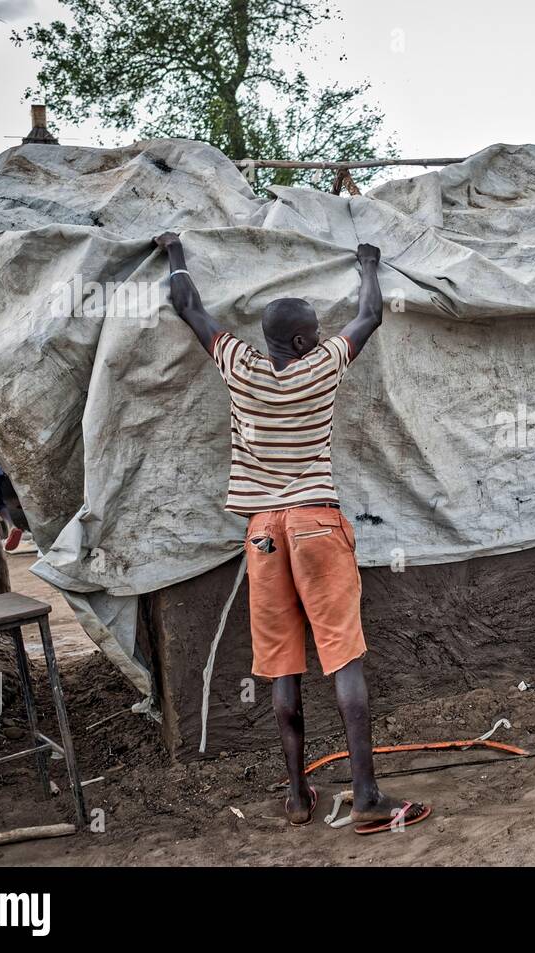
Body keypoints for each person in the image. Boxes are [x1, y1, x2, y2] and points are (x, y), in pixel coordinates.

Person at [153, 231, 429, 834]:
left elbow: (188, 306)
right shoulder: (321, 369)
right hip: (315, 525)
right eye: (313, 329)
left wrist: (175, 252)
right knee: (344, 658)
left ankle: (299, 796)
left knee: (283, 666)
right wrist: (367, 264)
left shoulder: (240, 366)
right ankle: (366, 798)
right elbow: (370, 315)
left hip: (263, 535)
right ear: (306, 341)